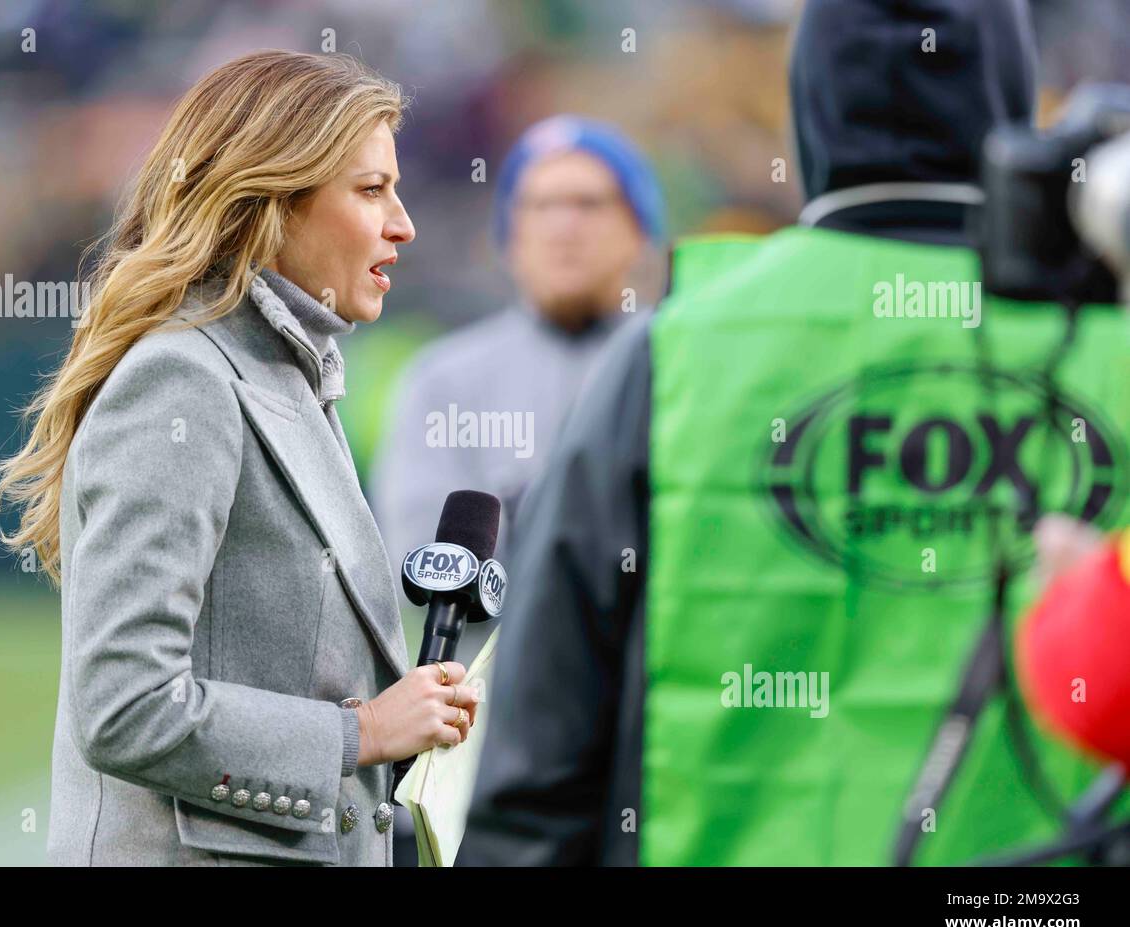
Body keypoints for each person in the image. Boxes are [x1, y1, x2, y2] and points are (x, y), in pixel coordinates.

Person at [461, 0, 1130, 866]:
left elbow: (538, 762)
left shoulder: (672, 354)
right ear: (1009, 102)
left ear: (810, 105)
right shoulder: (1110, 343)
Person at [0, 50, 480, 867]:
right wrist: (362, 731)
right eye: (370, 190)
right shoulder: (183, 380)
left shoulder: (289, 371)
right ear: (272, 202)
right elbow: (124, 705)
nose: (403, 223)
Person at [370, 115, 665, 586]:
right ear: (509, 237)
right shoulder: (444, 380)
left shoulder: (678, 365)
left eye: (588, 204)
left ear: (640, 229)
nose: (563, 227)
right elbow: (419, 562)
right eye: (539, 205)